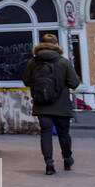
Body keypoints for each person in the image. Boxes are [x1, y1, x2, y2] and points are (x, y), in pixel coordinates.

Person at [23, 32, 81, 175]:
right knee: (64, 134)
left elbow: (26, 81)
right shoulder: (64, 62)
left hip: (41, 106)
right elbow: (74, 83)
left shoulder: (32, 62)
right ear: (56, 45)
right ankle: (67, 159)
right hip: (61, 106)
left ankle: (49, 164)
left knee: (46, 134)